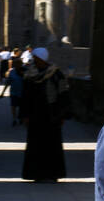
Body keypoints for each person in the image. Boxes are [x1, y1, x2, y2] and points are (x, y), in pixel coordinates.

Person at [19, 47, 69, 181]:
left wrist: (62, 114)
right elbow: (25, 96)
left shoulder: (56, 74)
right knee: (36, 145)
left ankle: (53, 174)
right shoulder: (30, 74)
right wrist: (24, 115)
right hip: (35, 115)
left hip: (52, 114)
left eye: (36, 58)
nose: (34, 60)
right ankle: (36, 174)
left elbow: (63, 94)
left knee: (52, 145)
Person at [6, 57, 24, 126]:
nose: (17, 65)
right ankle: (14, 119)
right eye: (16, 64)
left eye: (19, 64)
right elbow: (8, 82)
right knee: (13, 106)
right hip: (13, 92)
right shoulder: (12, 72)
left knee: (21, 106)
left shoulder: (25, 71)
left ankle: (20, 117)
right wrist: (2, 92)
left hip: (22, 92)